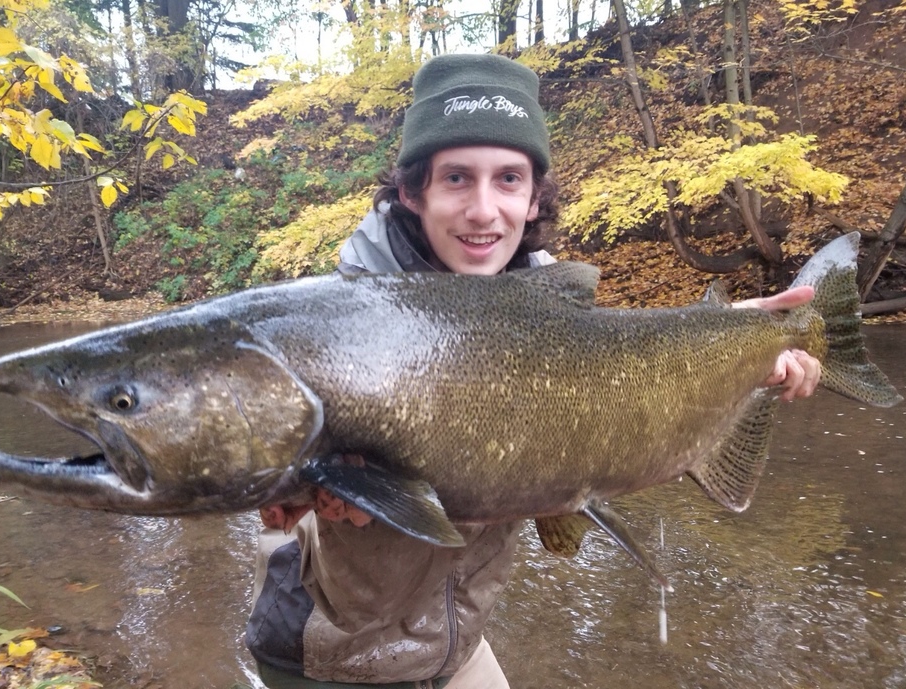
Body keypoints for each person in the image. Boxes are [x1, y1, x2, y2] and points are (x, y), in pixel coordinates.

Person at [245, 53, 821, 689]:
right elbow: (265, 491)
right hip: (326, 656)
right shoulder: (335, 324)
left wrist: (740, 342)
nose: (485, 211)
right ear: (414, 192)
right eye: (457, 178)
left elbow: (630, 362)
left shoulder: (543, 309)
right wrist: (295, 498)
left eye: (509, 180)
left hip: (452, 639)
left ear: (534, 194)